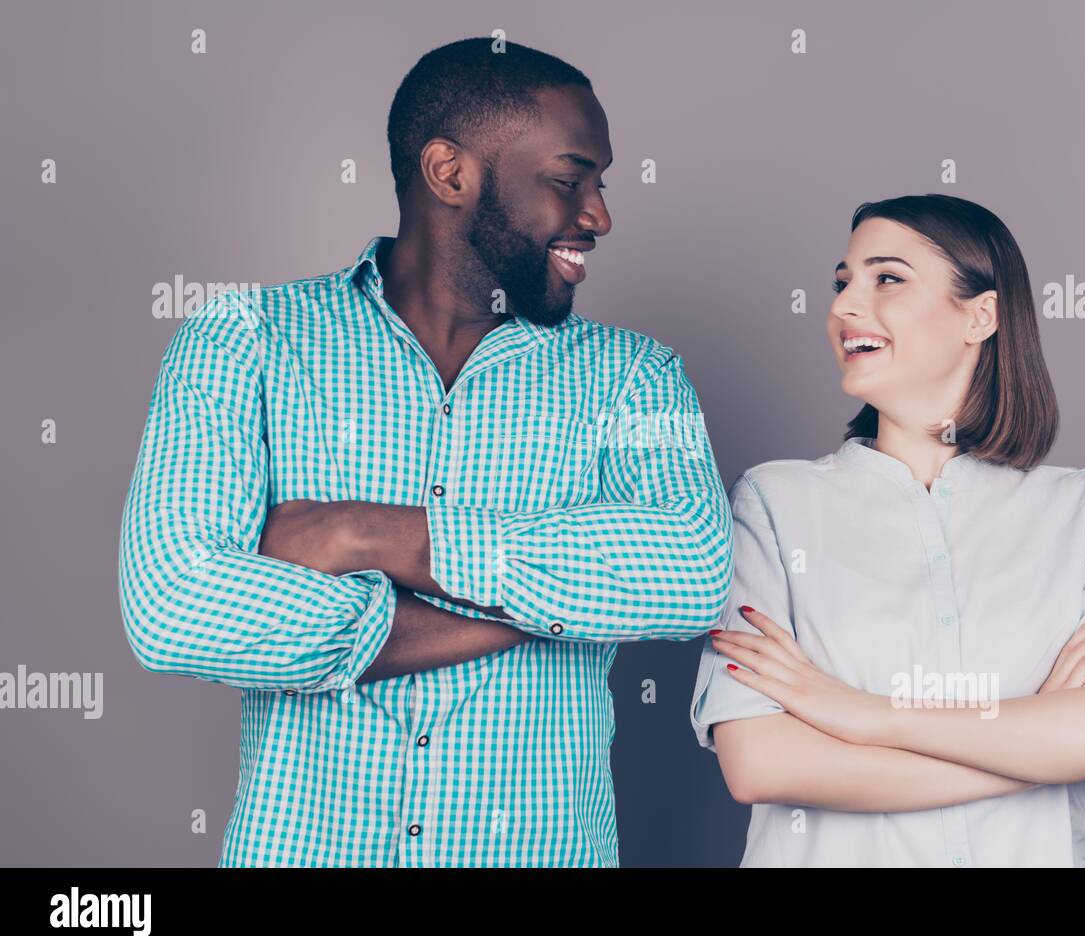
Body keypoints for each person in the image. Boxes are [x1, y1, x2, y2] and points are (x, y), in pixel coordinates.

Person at [118, 37, 733, 867]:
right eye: (569, 179)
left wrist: (369, 536)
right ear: (450, 173)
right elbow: (175, 606)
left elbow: (688, 570)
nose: (598, 215)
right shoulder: (243, 342)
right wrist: (541, 615)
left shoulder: (635, 377)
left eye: (601, 183)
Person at [689, 194, 1085, 867]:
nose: (844, 305)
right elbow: (760, 761)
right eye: (843, 282)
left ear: (980, 314)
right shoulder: (774, 503)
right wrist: (1037, 740)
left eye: (887, 278)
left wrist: (864, 714)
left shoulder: (1081, 510)